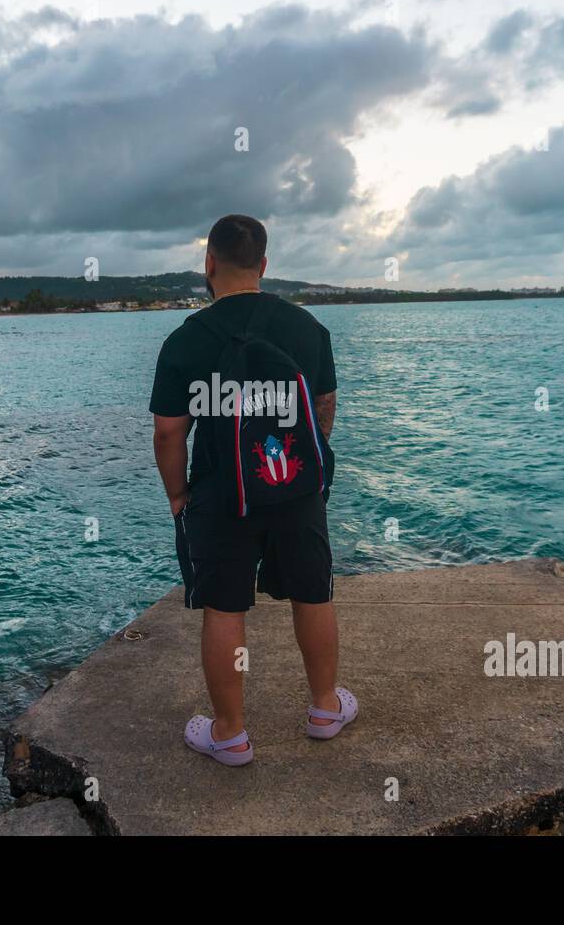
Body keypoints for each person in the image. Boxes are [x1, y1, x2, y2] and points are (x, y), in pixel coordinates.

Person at [148, 214, 357, 766]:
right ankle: (324, 708)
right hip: (294, 486)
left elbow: (169, 431)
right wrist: (303, 468)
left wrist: (176, 495)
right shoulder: (307, 329)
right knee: (314, 591)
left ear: (209, 264)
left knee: (224, 606)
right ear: (264, 265)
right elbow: (324, 409)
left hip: (220, 494)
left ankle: (230, 734)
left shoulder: (186, 338)